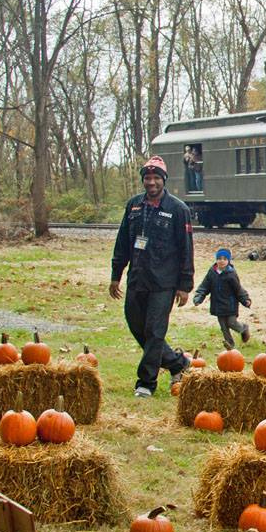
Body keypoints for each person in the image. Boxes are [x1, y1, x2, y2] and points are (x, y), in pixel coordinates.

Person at [109, 156, 194, 398]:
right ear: (143, 181)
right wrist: (116, 274)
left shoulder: (178, 210)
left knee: (155, 331)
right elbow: (122, 241)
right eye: (148, 178)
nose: (152, 182)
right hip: (137, 279)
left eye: (156, 178)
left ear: (163, 181)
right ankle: (178, 363)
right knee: (137, 326)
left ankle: (146, 383)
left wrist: (184, 285)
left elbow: (186, 249)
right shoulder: (134, 206)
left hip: (163, 283)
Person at [192, 248, 252, 349]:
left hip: (230, 304)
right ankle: (230, 345)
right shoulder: (212, 273)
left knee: (231, 323)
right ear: (216, 260)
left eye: (224, 259)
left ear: (228, 261)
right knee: (223, 327)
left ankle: (243, 329)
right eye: (219, 258)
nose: (221, 261)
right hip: (218, 305)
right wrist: (199, 297)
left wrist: (245, 299)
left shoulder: (231, 274)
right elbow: (204, 286)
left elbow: (238, 289)